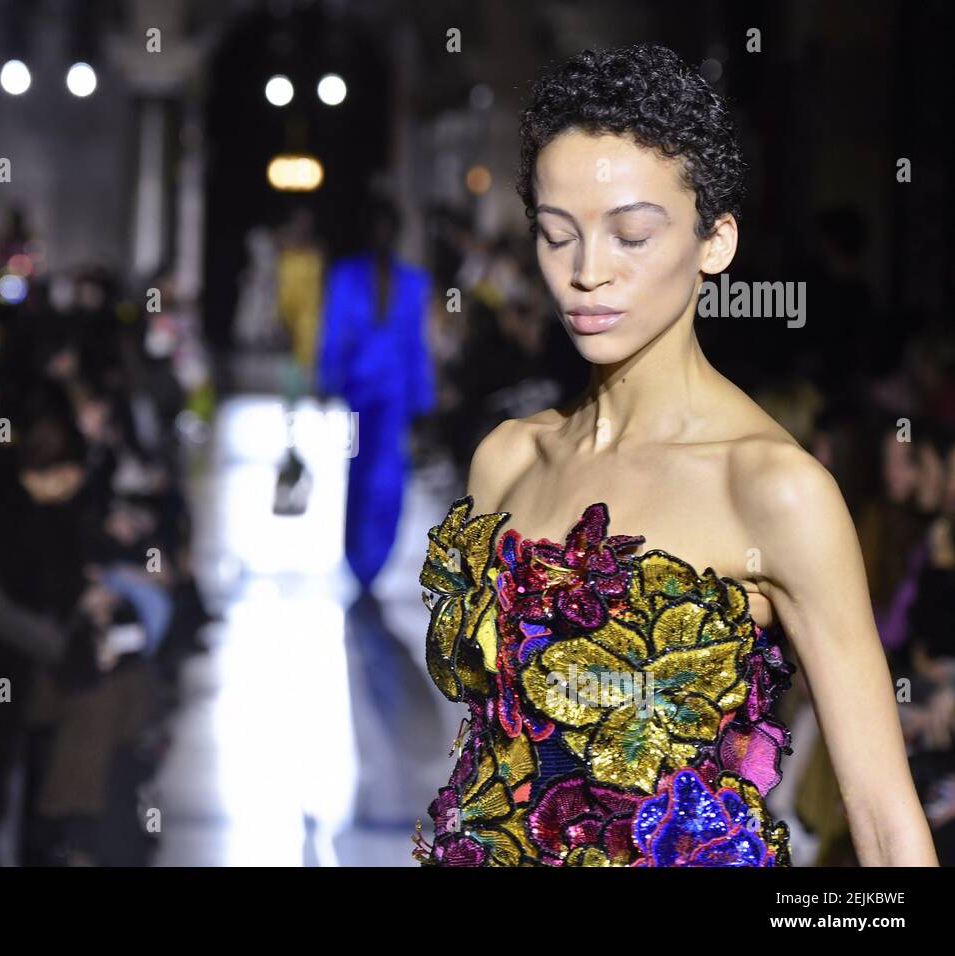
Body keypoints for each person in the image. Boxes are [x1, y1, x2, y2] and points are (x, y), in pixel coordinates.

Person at [413, 44, 937, 867]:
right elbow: (487, 763)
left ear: (715, 242)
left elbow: (879, 821)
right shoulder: (506, 460)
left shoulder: (774, 488)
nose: (587, 273)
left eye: (631, 236)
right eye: (558, 236)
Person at [316, 195, 435, 590]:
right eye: (377, 227)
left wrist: (424, 397)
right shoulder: (346, 276)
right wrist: (327, 376)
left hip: (397, 390)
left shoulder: (415, 282)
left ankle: (378, 555)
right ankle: (355, 553)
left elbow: (419, 342)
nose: (383, 234)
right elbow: (333, 329)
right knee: (358, 468)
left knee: (390, 474)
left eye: (389, 228)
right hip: (359, 388)